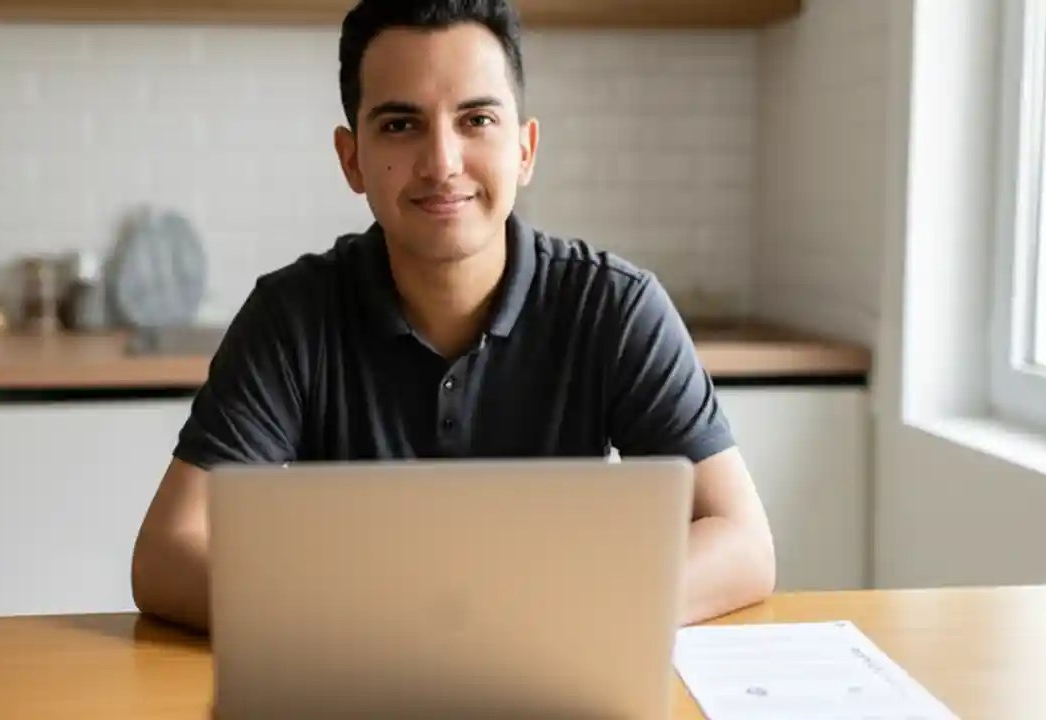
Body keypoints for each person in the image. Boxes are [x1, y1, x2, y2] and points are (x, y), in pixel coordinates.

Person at [131, 0, 775, 633]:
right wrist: (383, 624)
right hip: (357, 679)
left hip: (550, 676)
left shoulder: (615, 306)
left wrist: (554, 616)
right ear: (351, 159)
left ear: (524, 149)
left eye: (476, 120)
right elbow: (168, 554)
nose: (442, 163)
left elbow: (742, 545)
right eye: (400, 125)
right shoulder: (291, 316)